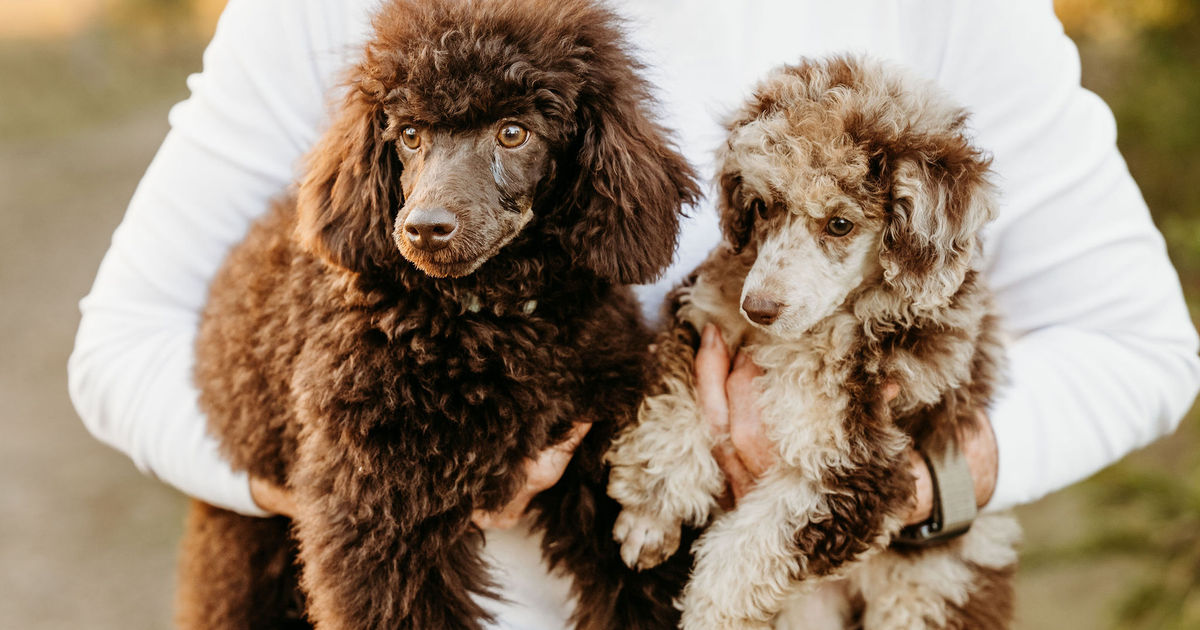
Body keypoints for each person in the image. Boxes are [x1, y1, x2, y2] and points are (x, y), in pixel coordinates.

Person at [68, 0, 1200, 627]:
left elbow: (1136, 343)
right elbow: (124, 344)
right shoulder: (324, 18)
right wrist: (352, 487)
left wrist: (903, 479)